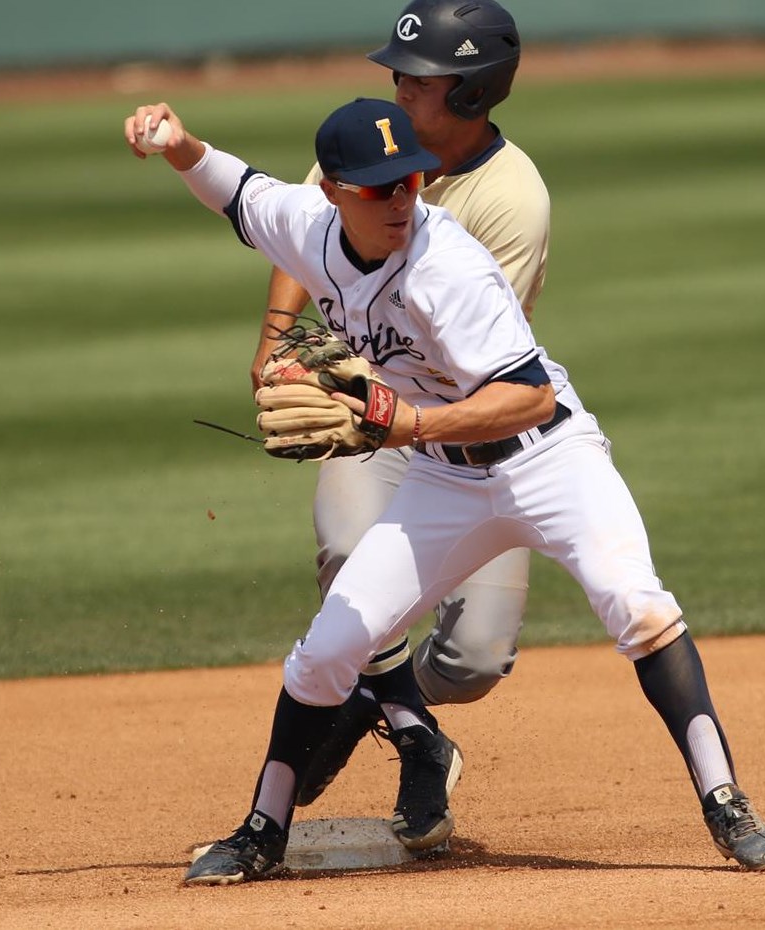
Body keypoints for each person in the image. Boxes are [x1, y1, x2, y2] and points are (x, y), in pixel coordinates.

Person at [123, 95, 765, 885]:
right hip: (448, 480)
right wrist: (176, 142)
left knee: (637, 606)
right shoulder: (306, 223)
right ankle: (262, 832)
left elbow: (532, 397)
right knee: (327, 652)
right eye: (378, 188)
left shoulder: (449, 267)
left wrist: (403, 423)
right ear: (334, 189)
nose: (400, 200)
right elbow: (234, 187)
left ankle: (726, 804)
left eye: (409, 180)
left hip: (550, 463)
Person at [245, 0, 550, 830]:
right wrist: (279, 343)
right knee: (348, 551)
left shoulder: (510, 200)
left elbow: (473, 370)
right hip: (365, 416)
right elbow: (301, 234)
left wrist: (387, 408)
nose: (395, 85)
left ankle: (370, 696)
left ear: (470, 91)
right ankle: (416, 735)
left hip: (463, 426)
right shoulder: (373, 138)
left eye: (417, 78)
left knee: (476, 656)